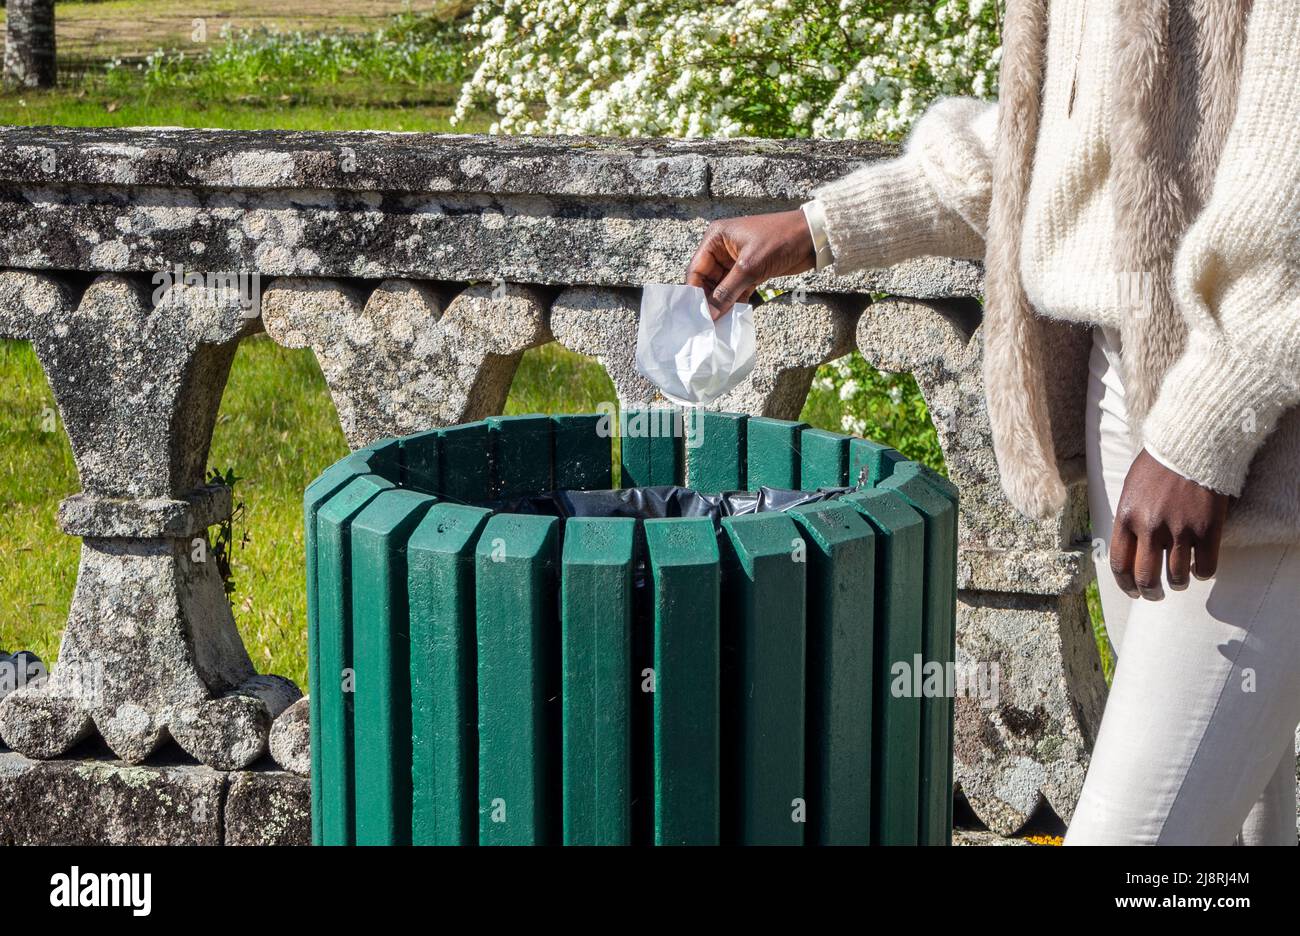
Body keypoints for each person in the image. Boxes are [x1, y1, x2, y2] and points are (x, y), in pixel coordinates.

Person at [686, 1, 1300, 845]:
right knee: (1233, 817)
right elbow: (1053, 140)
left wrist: (1207, 427)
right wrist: (818, 229)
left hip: (1258, 422)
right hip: (1128, 385)